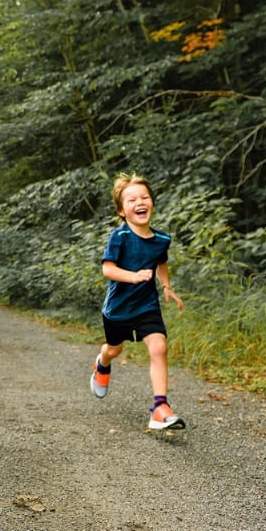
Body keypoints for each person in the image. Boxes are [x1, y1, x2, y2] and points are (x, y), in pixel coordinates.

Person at [89, 172, 186, 431]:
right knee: (114, 349)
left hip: (147, 306)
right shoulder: (119, 237)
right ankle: (102, 364)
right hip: (118, 309)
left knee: (159, 347)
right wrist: (133, 277)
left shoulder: (162, 240)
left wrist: (166, 286)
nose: (139, 202)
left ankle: (159, 408)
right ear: (122, 211)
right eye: (131, 199)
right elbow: (108, 270)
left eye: (144, 197)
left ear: (152, 203)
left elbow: (160, 262)